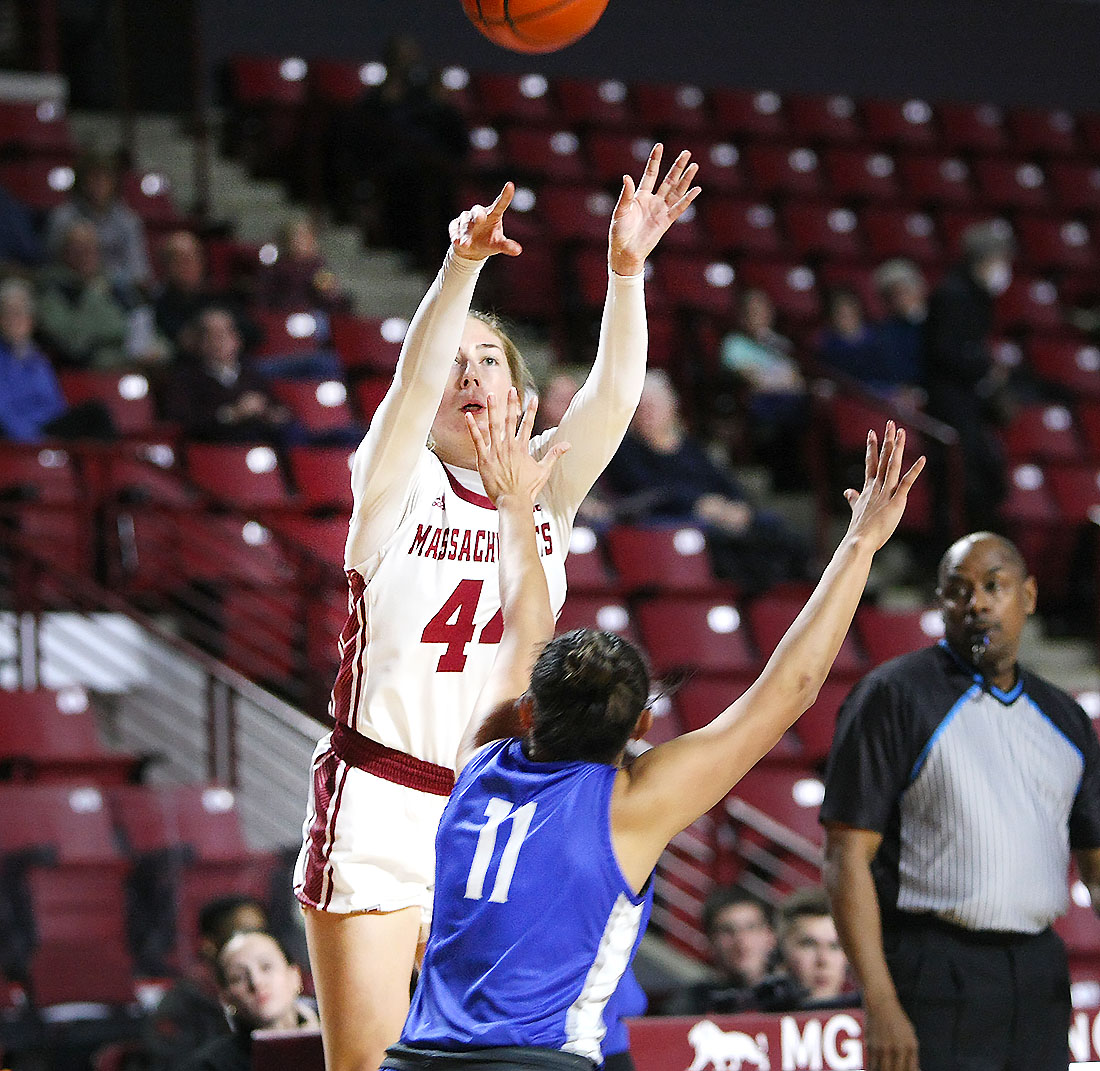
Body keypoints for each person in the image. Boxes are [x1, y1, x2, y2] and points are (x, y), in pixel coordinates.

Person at [292, 145, 701, 1071]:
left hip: (503, 811)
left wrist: (626, 272)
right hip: (383, 798)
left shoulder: (541, 495)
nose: (468, 372)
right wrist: (462, 267)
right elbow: (408, 382)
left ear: (519, 393)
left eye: (490, 358)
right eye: (454, 361)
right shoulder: (393, 484)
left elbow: (613, 396)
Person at [382, 389, 921, 1070]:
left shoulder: (480, 757)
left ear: (528, 710)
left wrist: (514, 504)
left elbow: (523, 618)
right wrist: (861, 541)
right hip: (534, 1062)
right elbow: (791, 689)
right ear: (641, 726)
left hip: (413, 1056)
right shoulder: (630, 801)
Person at [821, 531, 1100, 1071]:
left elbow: (1096, 862)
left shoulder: (1064, 716)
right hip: (932, 968)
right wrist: (879, 1001)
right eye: (957, 590)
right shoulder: (894, 695)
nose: (976, 603)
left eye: (994, 585)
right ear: (941, 602)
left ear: (1029, 597)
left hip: (1040, 969)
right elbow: (844, 855)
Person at [603, 369, 811, 593]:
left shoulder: (691, 447)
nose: (648, 413)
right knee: (723, 543)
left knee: (773, 526)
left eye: (654, 406)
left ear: (673, 406)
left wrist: (737, 505)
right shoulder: (626, 452)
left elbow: (723, 480)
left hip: (717, 514)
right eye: (642, 407)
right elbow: (648, 491)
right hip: (673, 519)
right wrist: (699, 505)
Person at [923, 221, 1015, 531]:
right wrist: (985, 366)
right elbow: (946, 350)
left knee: (986, 474)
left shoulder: (974, 295)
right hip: (951, 401)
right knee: (962, 480)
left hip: (969, 400)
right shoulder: (954, 295)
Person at [145, 896, 269, 1071]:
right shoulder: (179, 1007)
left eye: (261, 932)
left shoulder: (270, 999)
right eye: (242, 933)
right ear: (209, 945)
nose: (253, 943)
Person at [36, 219, 167, 369]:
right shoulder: (54, 290)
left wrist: (161, 349)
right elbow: (73, 343)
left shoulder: (117, 285)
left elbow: (145, 323)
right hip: (89, 372)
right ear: (64, 253)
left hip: (134, 367)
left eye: (91, 248)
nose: (85, 254)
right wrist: (93, 296)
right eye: (77, 249)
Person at [181, 930, 319, 1071]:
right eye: (238, 977)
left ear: (295, 976)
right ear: (225, 996)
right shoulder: (209, 1065)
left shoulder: (335, 1042)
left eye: (266, 967)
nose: (256, 982)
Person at [158, 306, 296, 445]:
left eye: (225, 332)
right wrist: (232, 413)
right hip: (216, 449)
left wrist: (270, 414)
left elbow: (277, 407)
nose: (219, 340)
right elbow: (184, 422)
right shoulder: (185, 378)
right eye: (211, 334)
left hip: (260, 448)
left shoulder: (251, 373)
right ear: (199, 341)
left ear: (237, 338)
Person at [0, 277, 115, 443]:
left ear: (31, 320)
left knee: (96, 412)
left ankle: (115, 467)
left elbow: (56, 404)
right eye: (8, 313)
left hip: (50, 427)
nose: (15, 320)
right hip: (26, 436)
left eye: (21, 313)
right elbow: (4, 413)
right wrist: (38, 442)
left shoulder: (38, 359)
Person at [45, 147, 152, 299]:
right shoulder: (62, 217)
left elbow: (138, 272)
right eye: (93, 178)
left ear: (114, 183)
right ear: (81, 182)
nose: (99, 185)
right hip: (71, 292)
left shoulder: (128, 221)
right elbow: (51, 264)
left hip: (116, 294)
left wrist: (110, 282)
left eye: (105, 179)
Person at [665, 886, 777, 1015]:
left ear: (771, 936)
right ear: (710, 940)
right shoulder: (690, 1003)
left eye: (751, 927)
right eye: (727, 930)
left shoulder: (793, 999)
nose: (741, 941)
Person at [753, 885, 851, 1012]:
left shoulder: (871, 1019)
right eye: (808, 945)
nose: (823, 960)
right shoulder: (752, 1020)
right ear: (780, 953)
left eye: (835, 946)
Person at [872, 259, 927, 403]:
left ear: (919, 288)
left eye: (906, 291)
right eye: (895, 295)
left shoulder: (941, 319)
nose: (902, 299)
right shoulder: (887, 332)